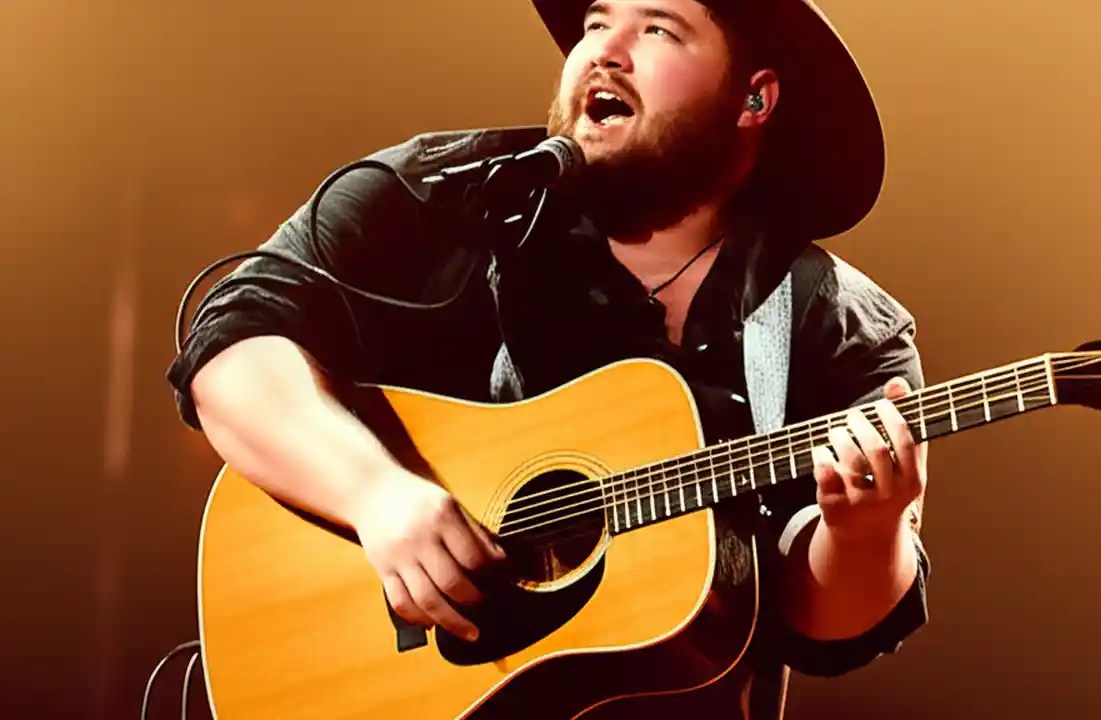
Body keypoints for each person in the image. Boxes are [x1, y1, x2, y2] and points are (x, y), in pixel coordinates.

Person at [168, 0, 931, 716]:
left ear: (754, 98)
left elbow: (824, 627)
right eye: (597, 22)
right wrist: (376, 496)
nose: (606, 51)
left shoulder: (840, 326)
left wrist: (866, 535)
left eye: (657, 28)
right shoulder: (439, 197)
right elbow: (230, 345)